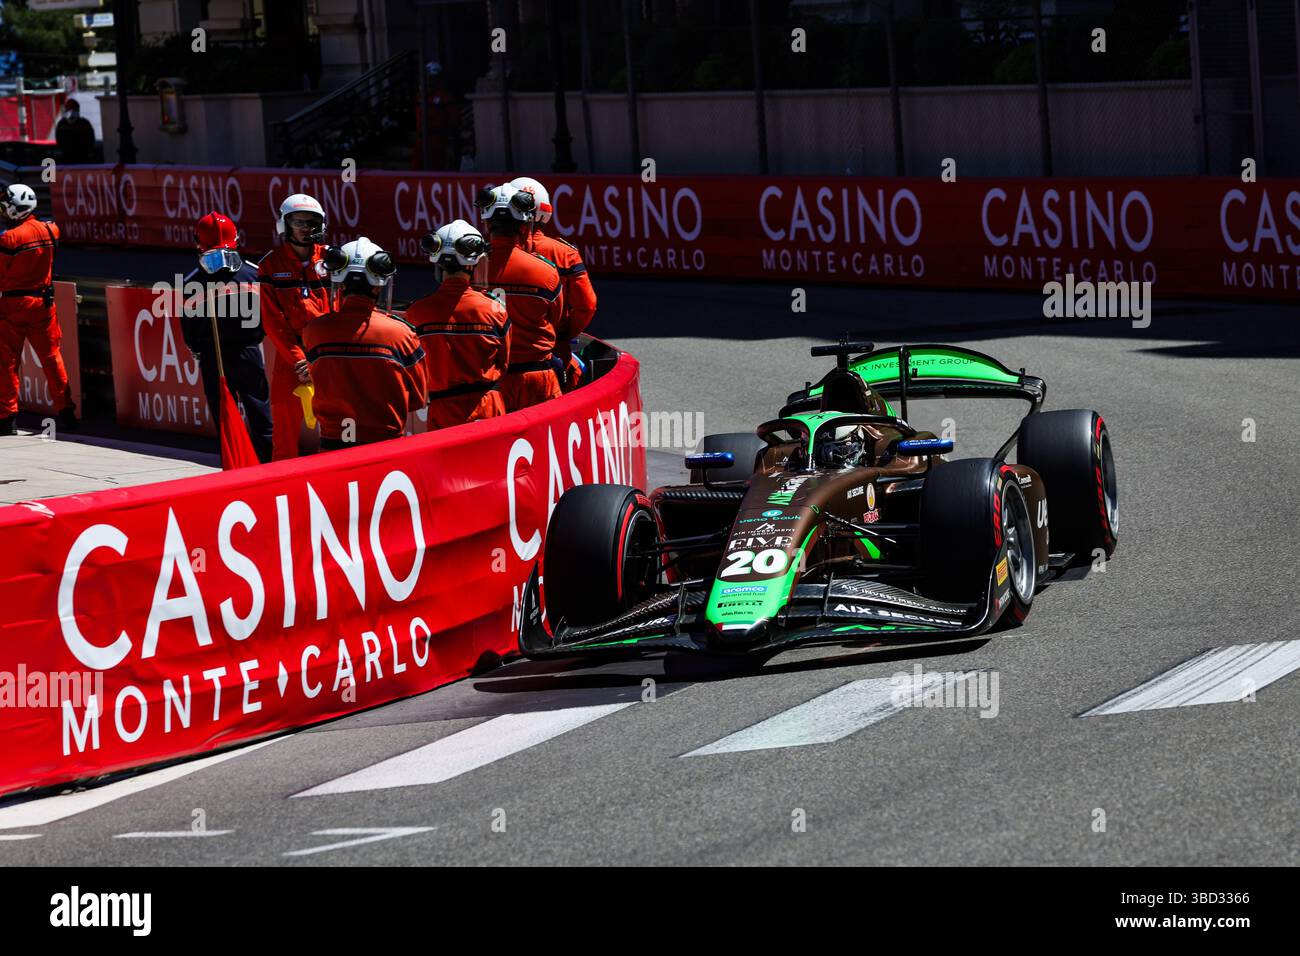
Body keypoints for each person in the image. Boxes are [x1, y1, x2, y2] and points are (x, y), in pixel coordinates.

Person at [302, 238, 427, 450]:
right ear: (378, 287)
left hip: (331, 445)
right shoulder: (401, 333)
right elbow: (418, 399)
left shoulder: (314, 331)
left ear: (340, 284)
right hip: (384, 446)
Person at [179, 212, 273, 463]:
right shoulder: (255, 274)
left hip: (215, 357)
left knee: (226, 419)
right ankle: (266, 464)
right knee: (260, 414)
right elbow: (268, 316)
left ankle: (234, 466)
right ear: (237, 240)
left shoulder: (191, 281)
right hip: (247, 352)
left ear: (198, 242)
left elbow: (188, 329)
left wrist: (199, 350)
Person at [405, 219, 510, 430]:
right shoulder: (495, 310)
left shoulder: (416, 313)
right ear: (473, 264)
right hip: (487, 407)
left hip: (442, 412)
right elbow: (503, 363)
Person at [476, 183, 564, 411]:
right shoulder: (545, 271)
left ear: (486, 225)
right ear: (525, 227)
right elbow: (557, 317)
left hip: (489, 385)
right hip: (538, 380)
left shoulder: (471, 269)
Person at [257, 193, 331, 459]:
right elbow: (273, 322)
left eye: (311, 222)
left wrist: (320, 356)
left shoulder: (334, 261)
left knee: (339, 428)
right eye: (298, 221)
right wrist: (301, 361)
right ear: (285, 225)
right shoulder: (269, 265)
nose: (305, 227)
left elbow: (340, 310)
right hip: (291, 362)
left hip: (329, 357)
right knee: (284, 434)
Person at [507, 176, 596, 391]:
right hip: (553, 356)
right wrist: (564, 334)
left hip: (503, 362)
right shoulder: (565, 253)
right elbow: (587, 305)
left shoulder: (490, 258)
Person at [0, 183, 75, 435]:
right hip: (44, 305)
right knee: (52, 358)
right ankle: (67, 411)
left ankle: (7, 418)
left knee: (7, 363)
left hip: (12, 306)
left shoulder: (9, 238)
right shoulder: (52, 230)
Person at [54, 99, 96, 164]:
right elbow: (59, 141)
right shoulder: (62, 124)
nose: (72, 112)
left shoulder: (84, 123)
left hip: (83, 158)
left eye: (74, 109)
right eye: (69, 109)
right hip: (66, 158)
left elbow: (91, 140)